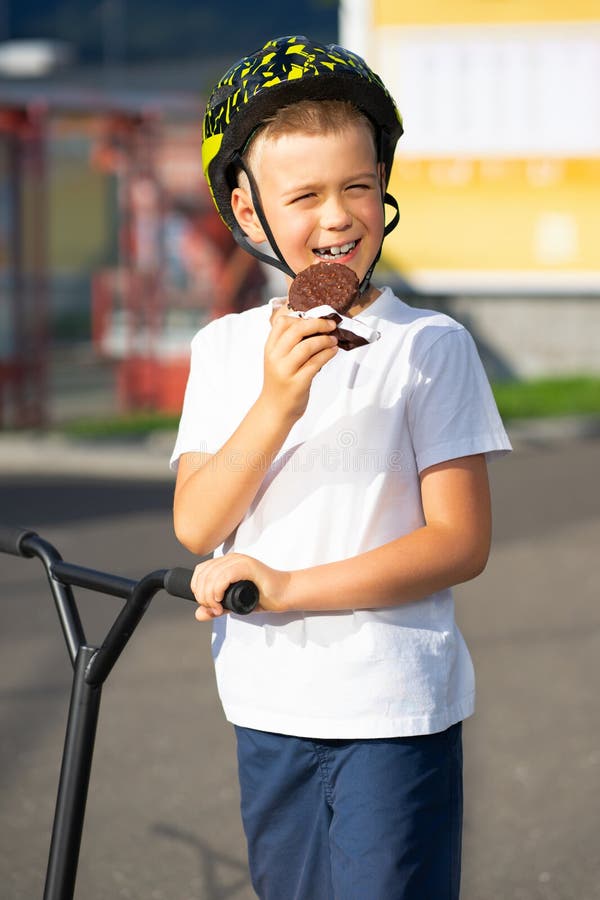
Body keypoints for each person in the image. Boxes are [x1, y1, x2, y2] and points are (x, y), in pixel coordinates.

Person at [171, 35, 512, 900]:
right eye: (306, 195)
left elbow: (459, 543)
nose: (337, 218)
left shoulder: (430, 346)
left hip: (391, 706)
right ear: (249, 215)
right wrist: (277, 401)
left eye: (358, 186)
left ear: (385, 189)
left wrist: (282, 585)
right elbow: (197, 524)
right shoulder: (225, 349)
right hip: (265, 702)